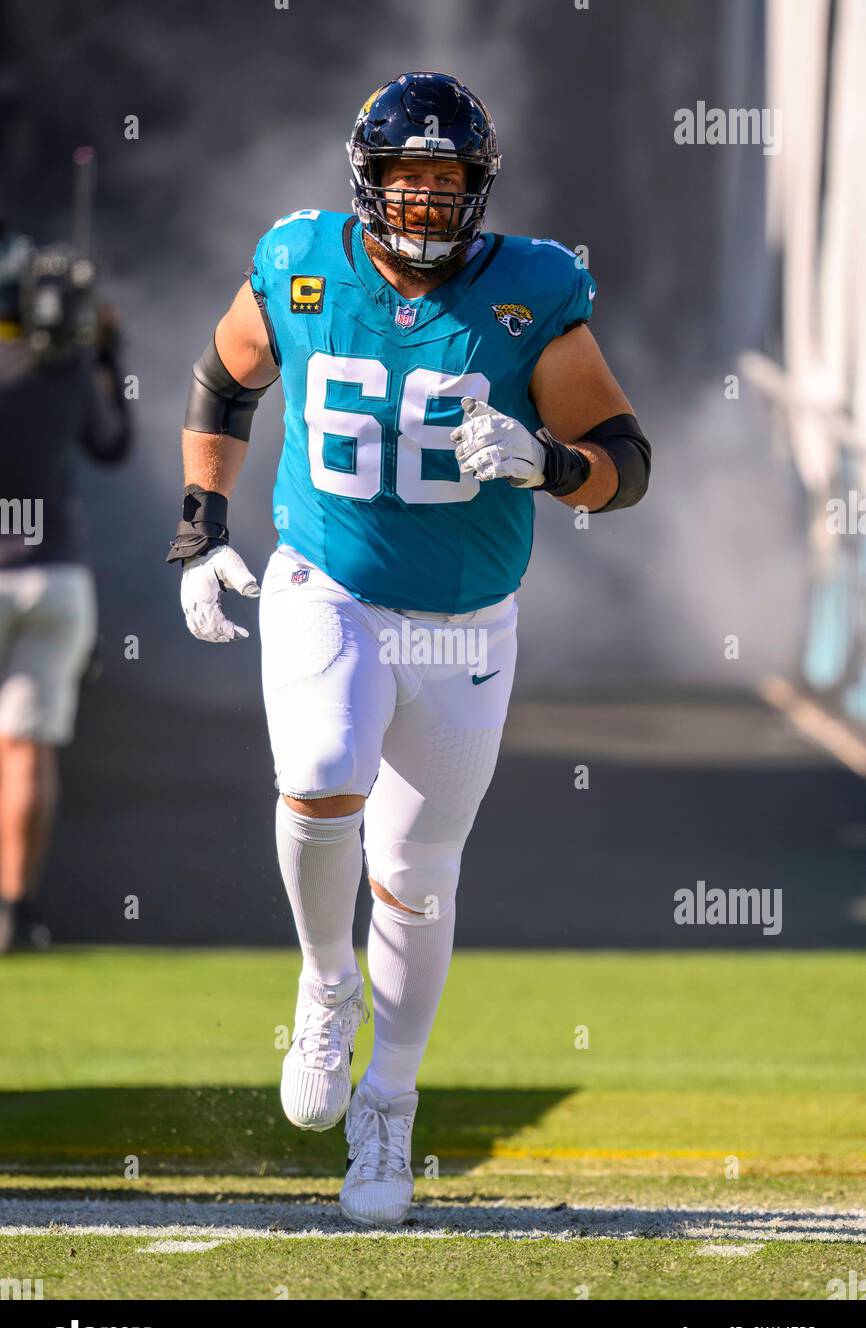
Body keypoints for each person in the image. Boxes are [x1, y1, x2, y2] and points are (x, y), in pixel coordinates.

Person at [167, 72, 650, 1226]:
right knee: (319, 774)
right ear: (367, 182)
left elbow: (624, 456)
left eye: (445, 181)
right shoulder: (297, 261)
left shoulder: (532, 290)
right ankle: (326, 985)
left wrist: (549, 463)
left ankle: (388, 1103)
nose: (425, 202)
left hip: (468, 621)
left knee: (416, 888)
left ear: (476, 189)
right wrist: (198, 528)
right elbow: (223, 379)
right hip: (324, 584)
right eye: (407, 178)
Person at [0, 224, 131, 952]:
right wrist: (108, 355)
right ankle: (15, 912)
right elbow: (113, 445)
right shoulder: (61, 368)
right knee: (26, 748)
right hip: (54, 576)